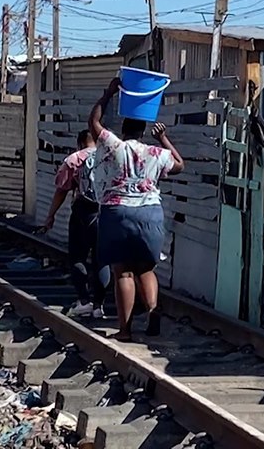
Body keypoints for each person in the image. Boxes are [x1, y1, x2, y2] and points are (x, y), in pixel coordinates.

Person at [88, 77, 184, 341]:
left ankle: (125, 330)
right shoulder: (155, 153)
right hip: (150, 214)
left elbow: (93, 123)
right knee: (146, 268)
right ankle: (153, 314)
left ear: (124, 128)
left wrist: (107, 94)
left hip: (118, 213)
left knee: (123, 271)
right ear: (143, 130)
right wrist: (163, 138)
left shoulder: (114, 145)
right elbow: (179, 164)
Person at [39, 129, 110, 318]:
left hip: (83, 212)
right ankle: (98, 306)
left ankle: (84, 301)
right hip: (108, 212)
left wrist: (50, 216)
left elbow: (61, 190)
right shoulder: (111, 156)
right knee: (101, 260)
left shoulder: (74, 159)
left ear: (80, 143)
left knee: (78, 257)